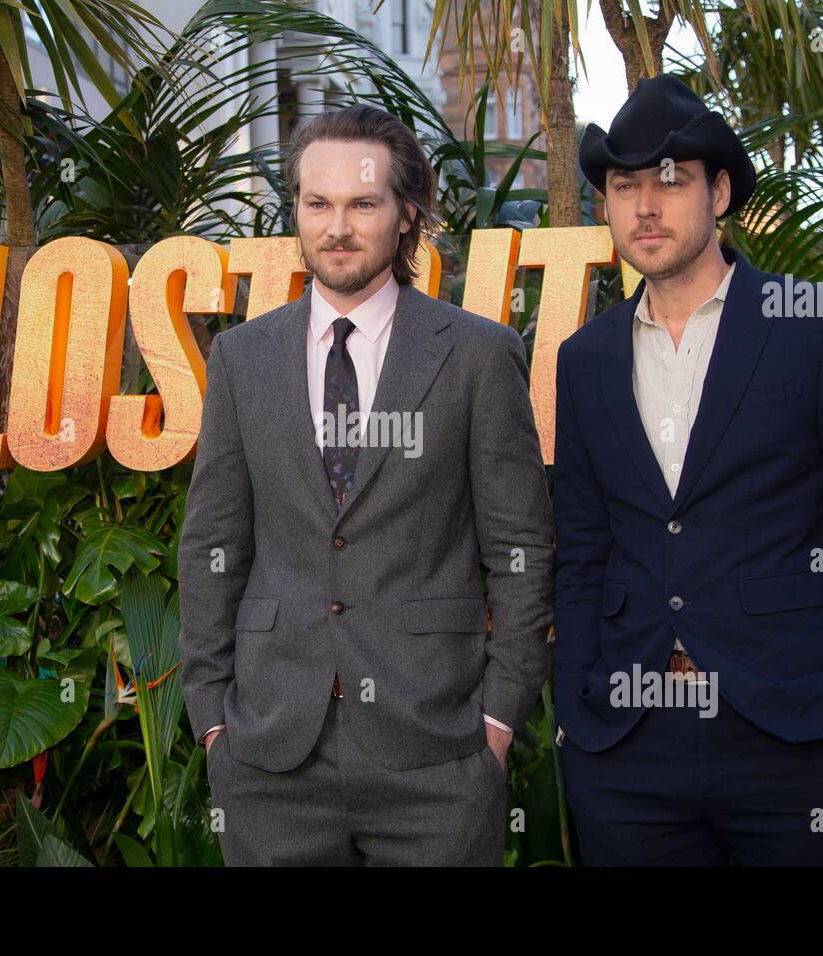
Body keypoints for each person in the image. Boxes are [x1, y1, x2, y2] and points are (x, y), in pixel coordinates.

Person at [553, 74, 823, 865]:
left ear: (719, 193)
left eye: (670, 181)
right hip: (629, 749)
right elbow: (582, 548)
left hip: (798, 742)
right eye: (625, 186)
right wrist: (574, 718)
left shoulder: (821, 331)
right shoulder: (583, 359)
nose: (646, 207)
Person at [177, 104, 553, 865]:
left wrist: (499, 721)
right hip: (270, 756)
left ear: (406, 215)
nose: (337, 227)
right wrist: (214, 720)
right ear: (297, 212)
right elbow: (212, 543)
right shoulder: (244, 359)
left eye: (362, 204)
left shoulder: (479, 356)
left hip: (438, 754)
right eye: (317, 204)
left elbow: (522, 548)